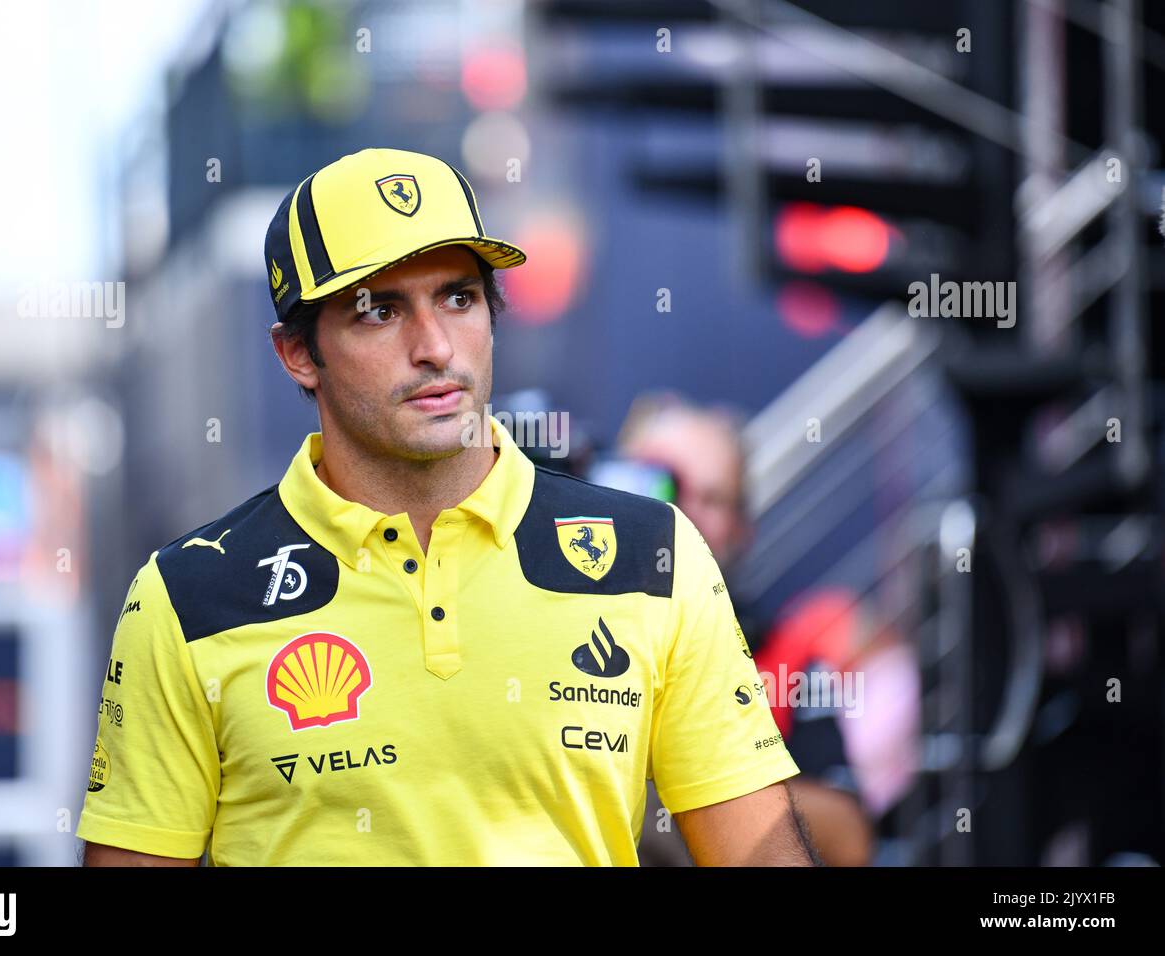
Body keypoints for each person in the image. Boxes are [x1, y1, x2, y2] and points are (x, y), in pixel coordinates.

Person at [77, 147, 814, 866]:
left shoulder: (654, 554)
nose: (434, 346)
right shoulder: (187, 597)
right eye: (380, 311)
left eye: (458, 298)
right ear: (298, 353)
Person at [616, 392, 873, 866]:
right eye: (664, 484)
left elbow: (848, 838)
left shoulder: (785, 657)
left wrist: (695, 764)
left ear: (740, 529)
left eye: (711, 498)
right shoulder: (556, 627)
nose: (682, 511)